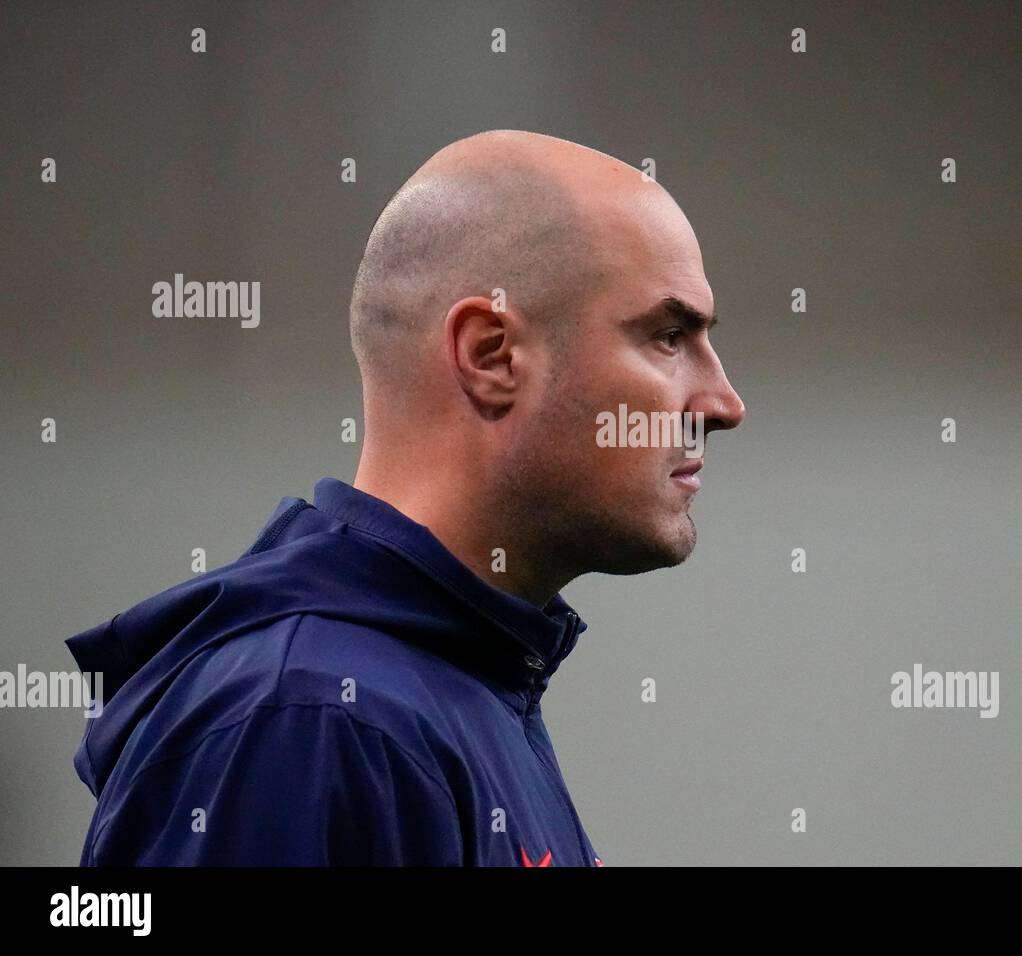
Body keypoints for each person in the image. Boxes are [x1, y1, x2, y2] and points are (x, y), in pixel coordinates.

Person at [65, 129, 746, 865]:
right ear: (492, 356)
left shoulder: (460, 688)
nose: (723, 402)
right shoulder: (310, 721)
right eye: (670, 335)